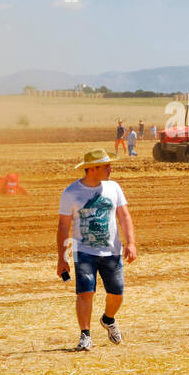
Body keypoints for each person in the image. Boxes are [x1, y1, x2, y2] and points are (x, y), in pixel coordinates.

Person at [56, 149, 137, 352]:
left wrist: (131, 243)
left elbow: (124, 216)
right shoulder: (71, 193)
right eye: (106, 166)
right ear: (92, 169)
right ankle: (85, 335)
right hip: (84, 252)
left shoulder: (114, 188)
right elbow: (63, 227)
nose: (111, 169)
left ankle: (108, 319)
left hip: (112, 251)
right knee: (85, 292)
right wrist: (61, 258)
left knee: (116, 294)